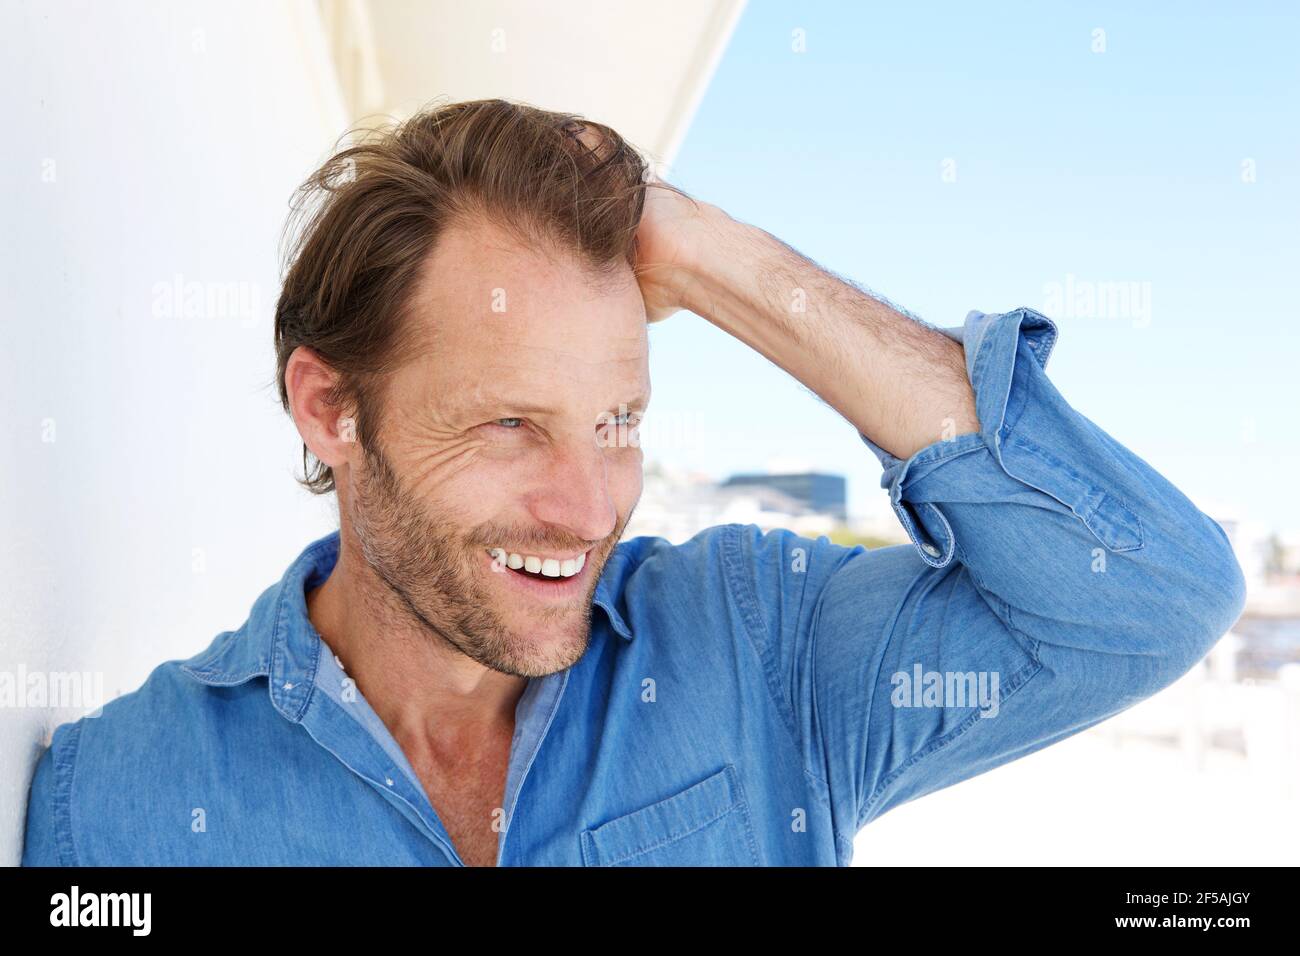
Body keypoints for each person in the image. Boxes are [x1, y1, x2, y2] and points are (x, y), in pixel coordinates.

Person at [22, 99, 1245, 866]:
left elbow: (1146, 596)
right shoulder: (120, 798)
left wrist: (713, 254)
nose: (589, 505)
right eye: (510, 422)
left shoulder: (758, 648)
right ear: (330, 407)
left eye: (616, 420)